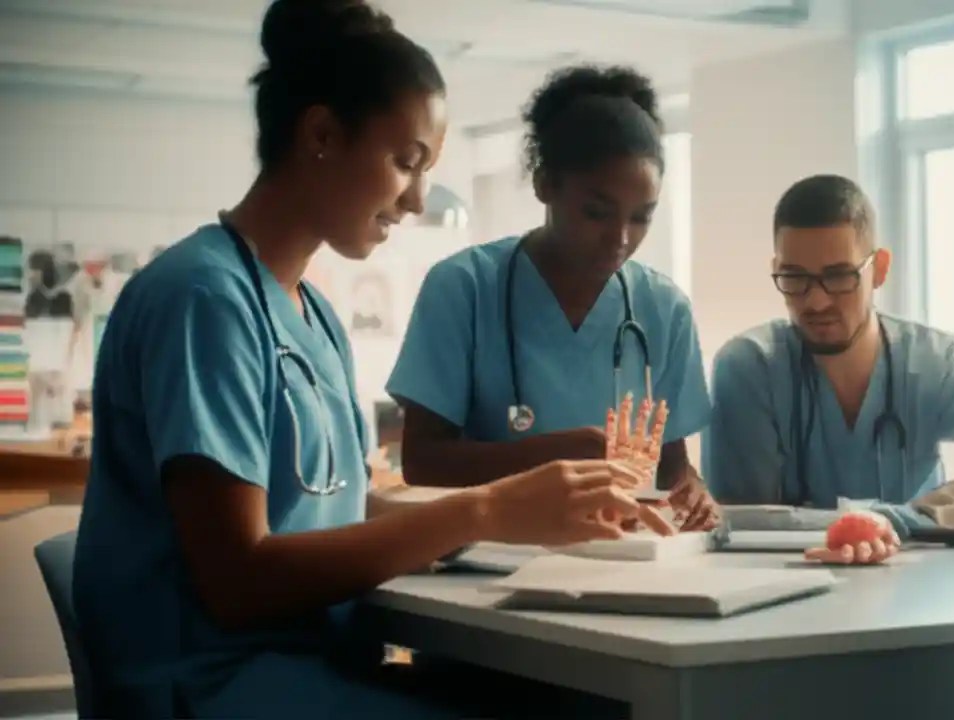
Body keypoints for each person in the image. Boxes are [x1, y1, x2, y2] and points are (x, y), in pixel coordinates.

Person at [71, 2, 670, 718]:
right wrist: (483, 508)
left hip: (313, 665)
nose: (416, 200)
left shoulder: (311, 312)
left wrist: (522, 514)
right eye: (406, 162)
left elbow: (335, 510)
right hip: (215, 686)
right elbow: (239, 579)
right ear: (321, 134)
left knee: (579, 701)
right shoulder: (204, 298)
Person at [388, 64, 719, 531]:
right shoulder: (464, 287)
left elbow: (669, 468)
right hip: (490, 563)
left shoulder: (664, 309)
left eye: (642, 217)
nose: (620, 238)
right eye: (596, 212)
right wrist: (560, 455)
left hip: (624, 559)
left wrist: (693, 491)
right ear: (545, 184)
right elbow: (422, 464)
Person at [705, 175, 954, 561]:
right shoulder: (748, 369)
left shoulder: (942, 363)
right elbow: (742, 526)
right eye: (795, 277)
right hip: (789, 588)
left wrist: (884, 523)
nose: (815, 301)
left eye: (838, 276)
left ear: (879, 269)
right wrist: (890, 522)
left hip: (925, 587)